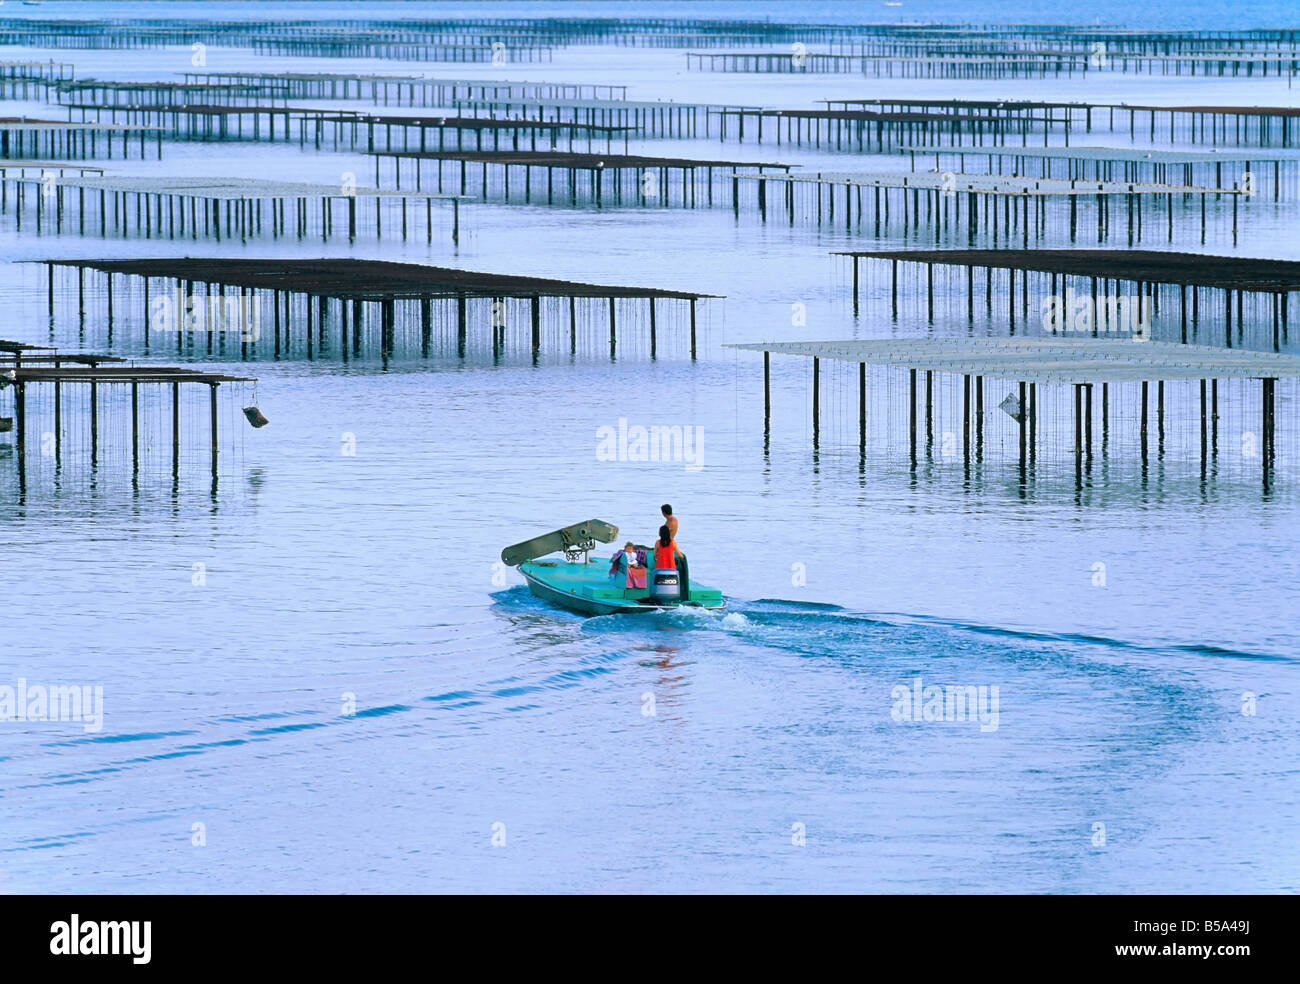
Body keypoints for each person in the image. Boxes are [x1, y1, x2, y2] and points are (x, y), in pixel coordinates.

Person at [652, 524, 690, 602]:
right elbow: (680, 555)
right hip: (671, 569)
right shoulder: (673, 543)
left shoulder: (658, 543)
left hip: (659, 569)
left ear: (661, 533)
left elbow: (654, 555)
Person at [658, 506, 688, 601]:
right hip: (667, 543)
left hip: (667, 544)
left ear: (664, 512)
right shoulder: (670, 520)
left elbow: (663, 532)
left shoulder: (671, 522)